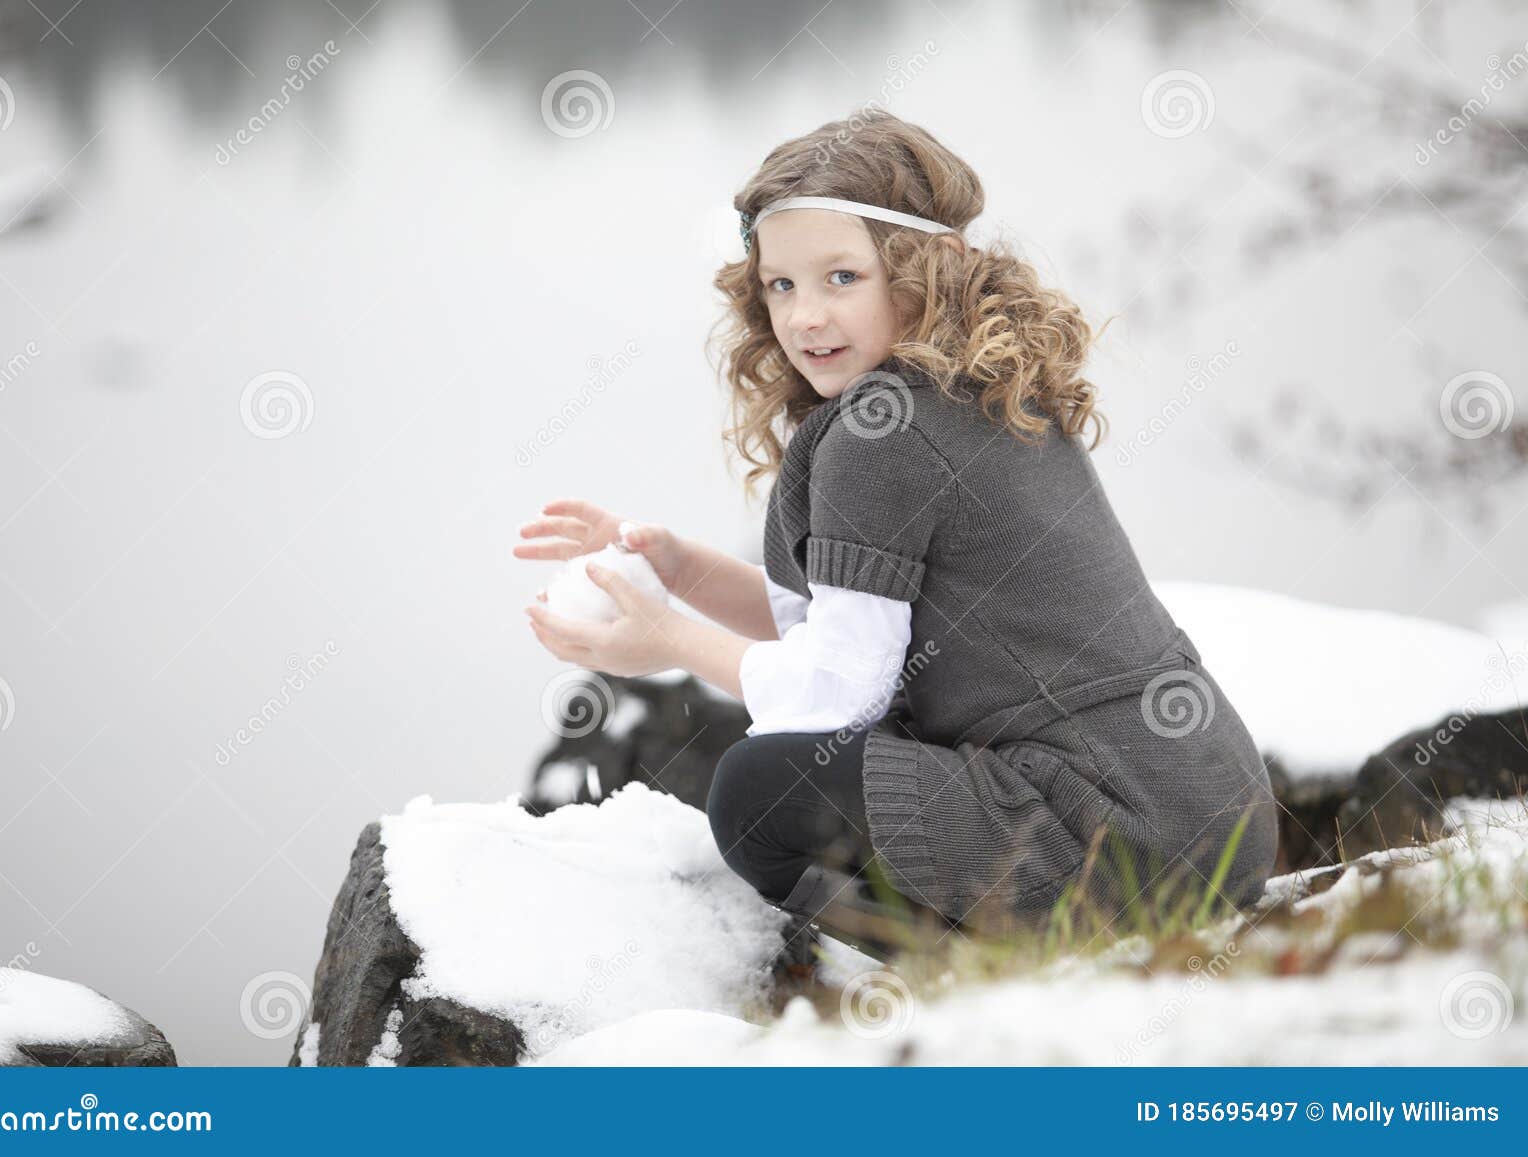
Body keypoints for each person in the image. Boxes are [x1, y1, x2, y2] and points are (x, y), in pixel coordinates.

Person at [516, 110, 1277, 959]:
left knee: (760, 793)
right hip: (1208, 810)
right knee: (841, 754)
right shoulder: (977, 384)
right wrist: (681, 568)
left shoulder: (883, 434)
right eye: (782, 286)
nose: (806, 317)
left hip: (1118, 831)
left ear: (930, 268)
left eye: (842, 276)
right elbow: (849, 631)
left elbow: (834, 698)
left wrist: (672, 642)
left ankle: (973, 974)